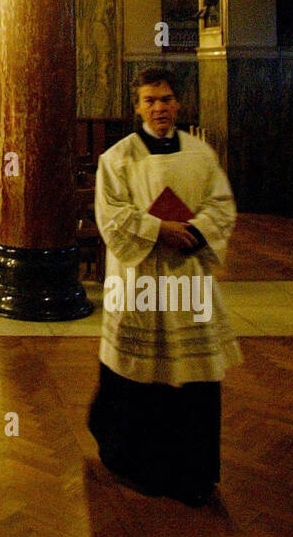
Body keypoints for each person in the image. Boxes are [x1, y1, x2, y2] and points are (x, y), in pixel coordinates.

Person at [88, 66, 241, 506]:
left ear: (178, 104)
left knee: (192, 378)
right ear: (137, 107)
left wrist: (193, 233)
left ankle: (193, 471)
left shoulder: (200, 154)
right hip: (139, 283)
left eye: (166, 99)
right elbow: (112, 216)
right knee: (139, 374)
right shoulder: (117, 159)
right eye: (150, 100)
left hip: (187, 279)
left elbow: (222, 206)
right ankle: (133, 462)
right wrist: (160, 229)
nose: (159, 108)